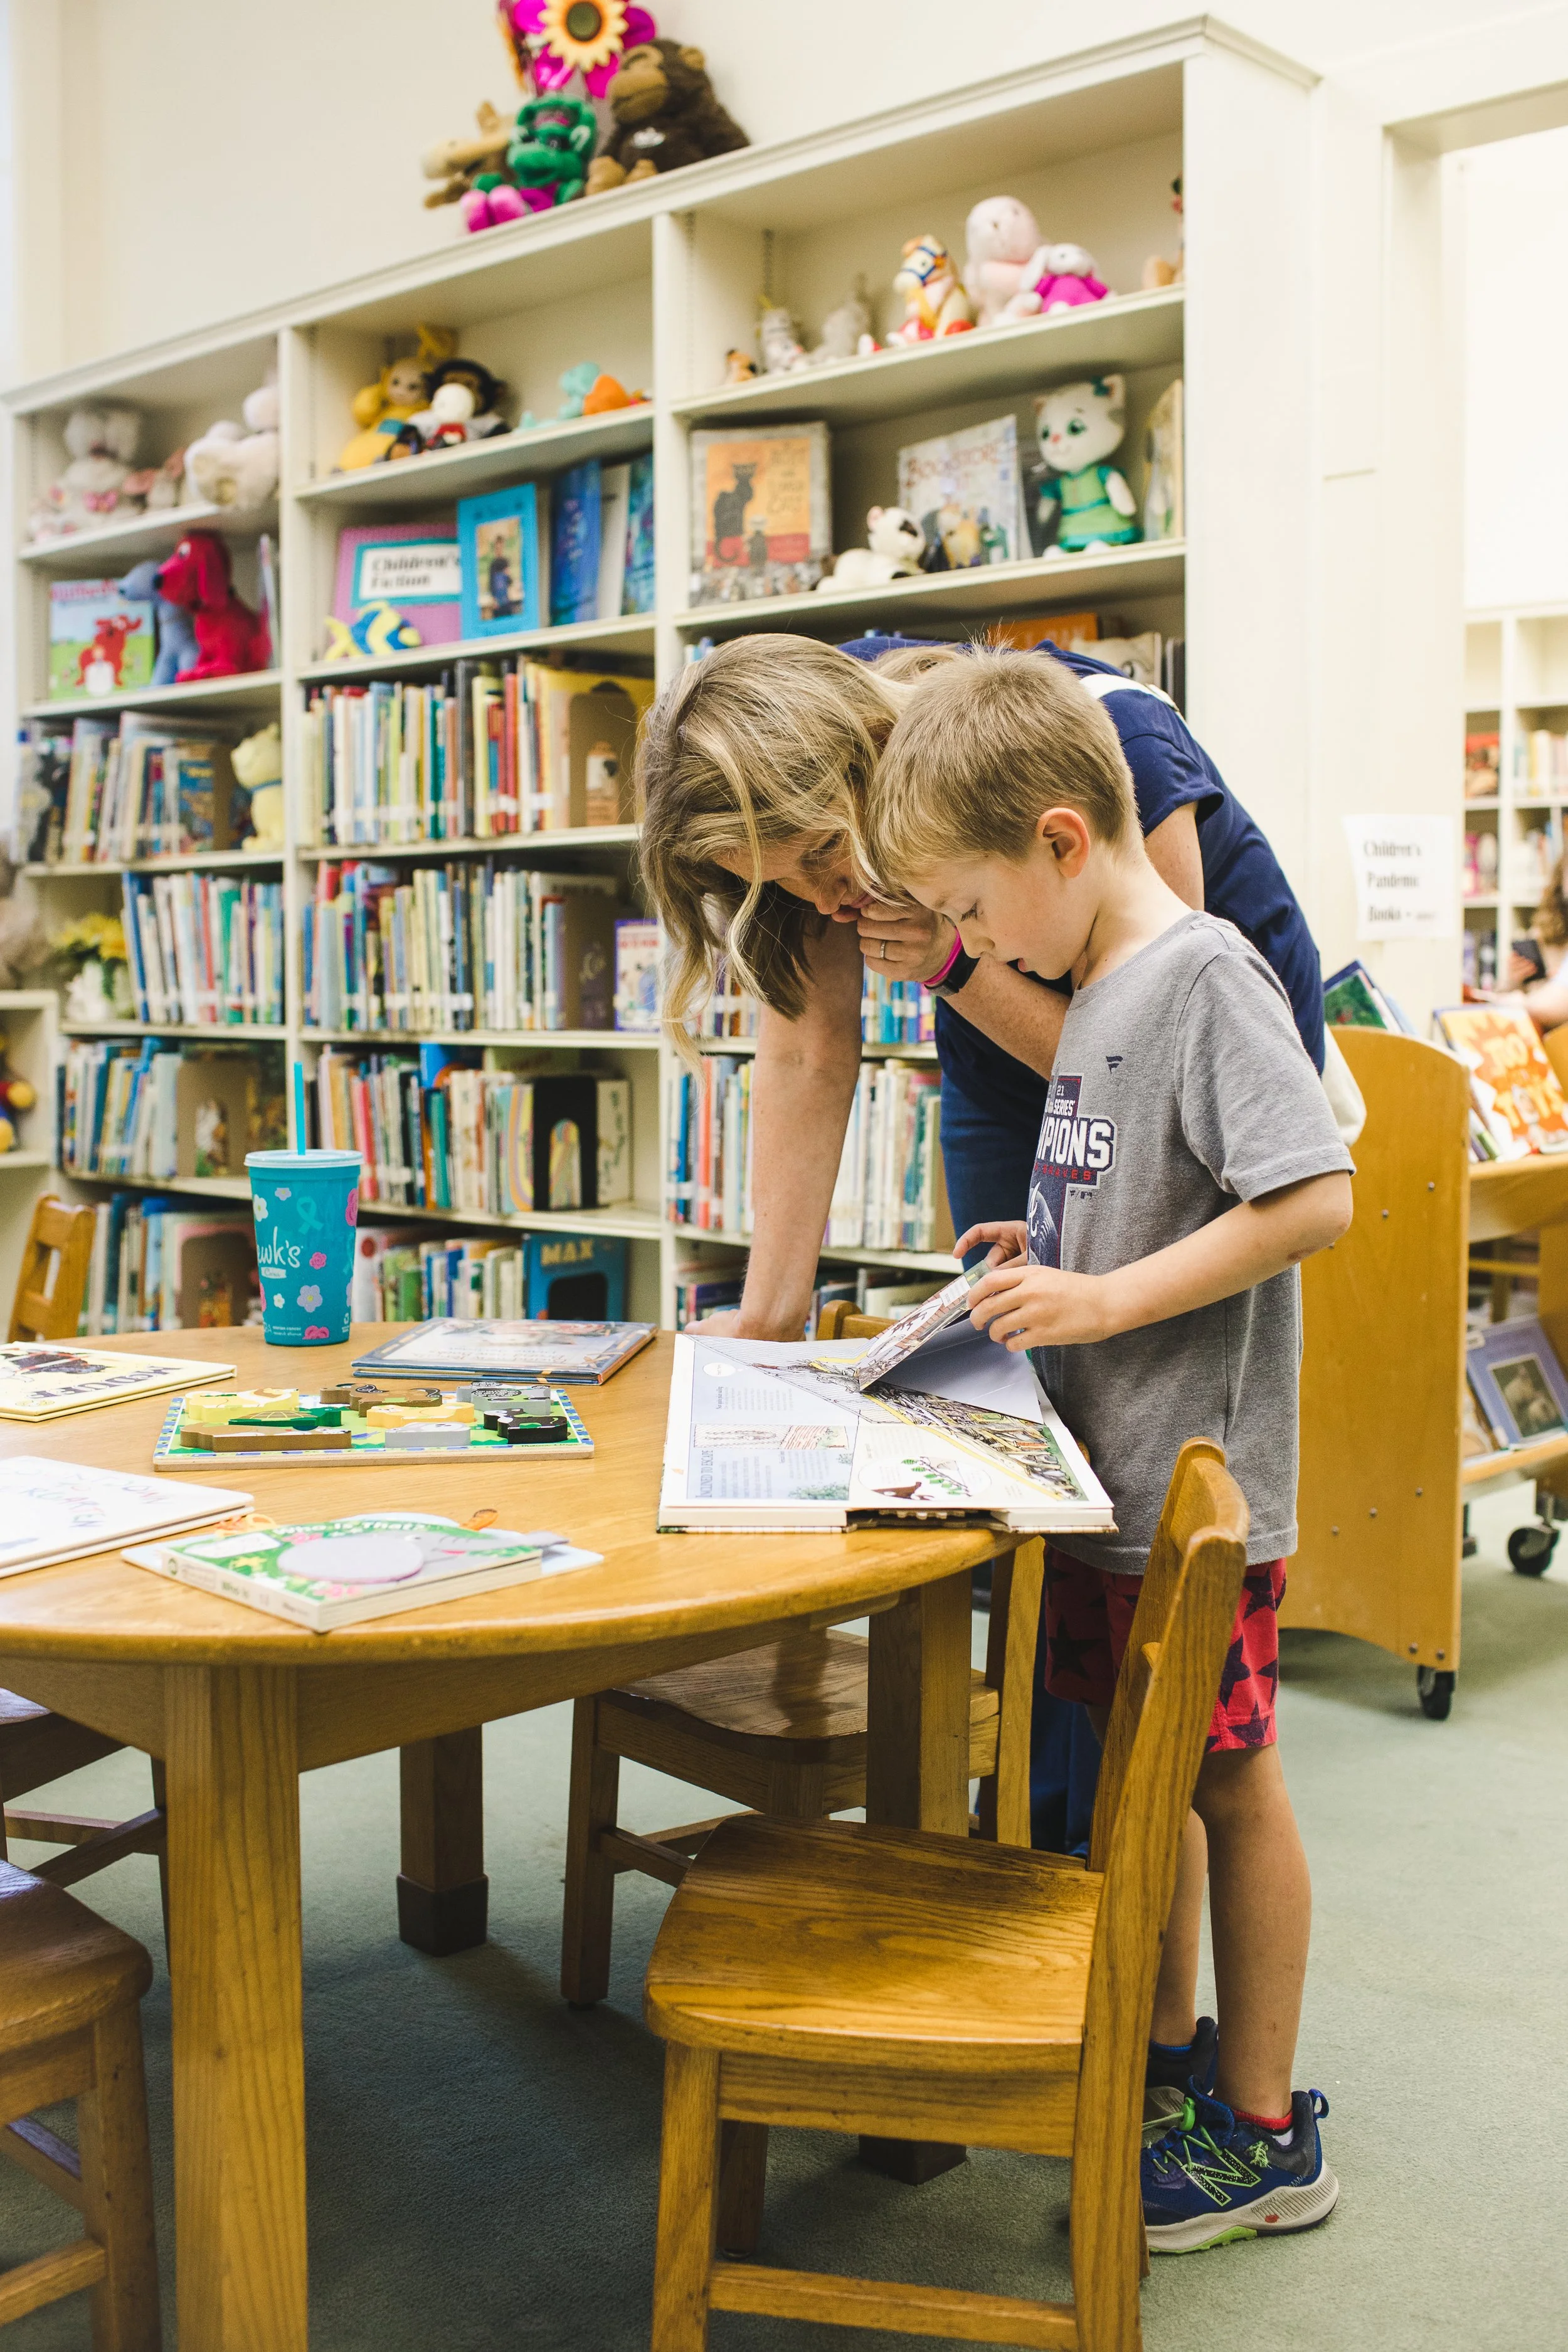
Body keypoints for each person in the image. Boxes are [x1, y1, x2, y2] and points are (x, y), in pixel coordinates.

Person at [638, 630, 1342, 1852]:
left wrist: (956, 960)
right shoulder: (803, 824)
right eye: (780, 885)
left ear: (867, 768)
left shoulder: (1098, 747)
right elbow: (807, 1047)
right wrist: (766, 1318)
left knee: (1130, 1432)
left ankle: (1078, 1836)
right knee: (1022, 1399)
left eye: (818, 860)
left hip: (1164, 1058)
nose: (820, 899)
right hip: (1004, 1017)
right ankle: (1032, 1799)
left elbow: (1139, 1041)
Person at [864, 646, 1353, 2252]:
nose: (968, 947)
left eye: (970, 909)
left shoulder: (1197, 974)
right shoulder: (1092, 995)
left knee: (1227, 1787)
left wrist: (1104, 1292)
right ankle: (1162, 2056)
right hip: (1106, 1487)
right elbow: (1147, 1188)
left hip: (1191, 1493)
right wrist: (1046, 1232)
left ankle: (1267, 2132)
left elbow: (1309, 1196)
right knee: (1144, 1804)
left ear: (1063, 843)